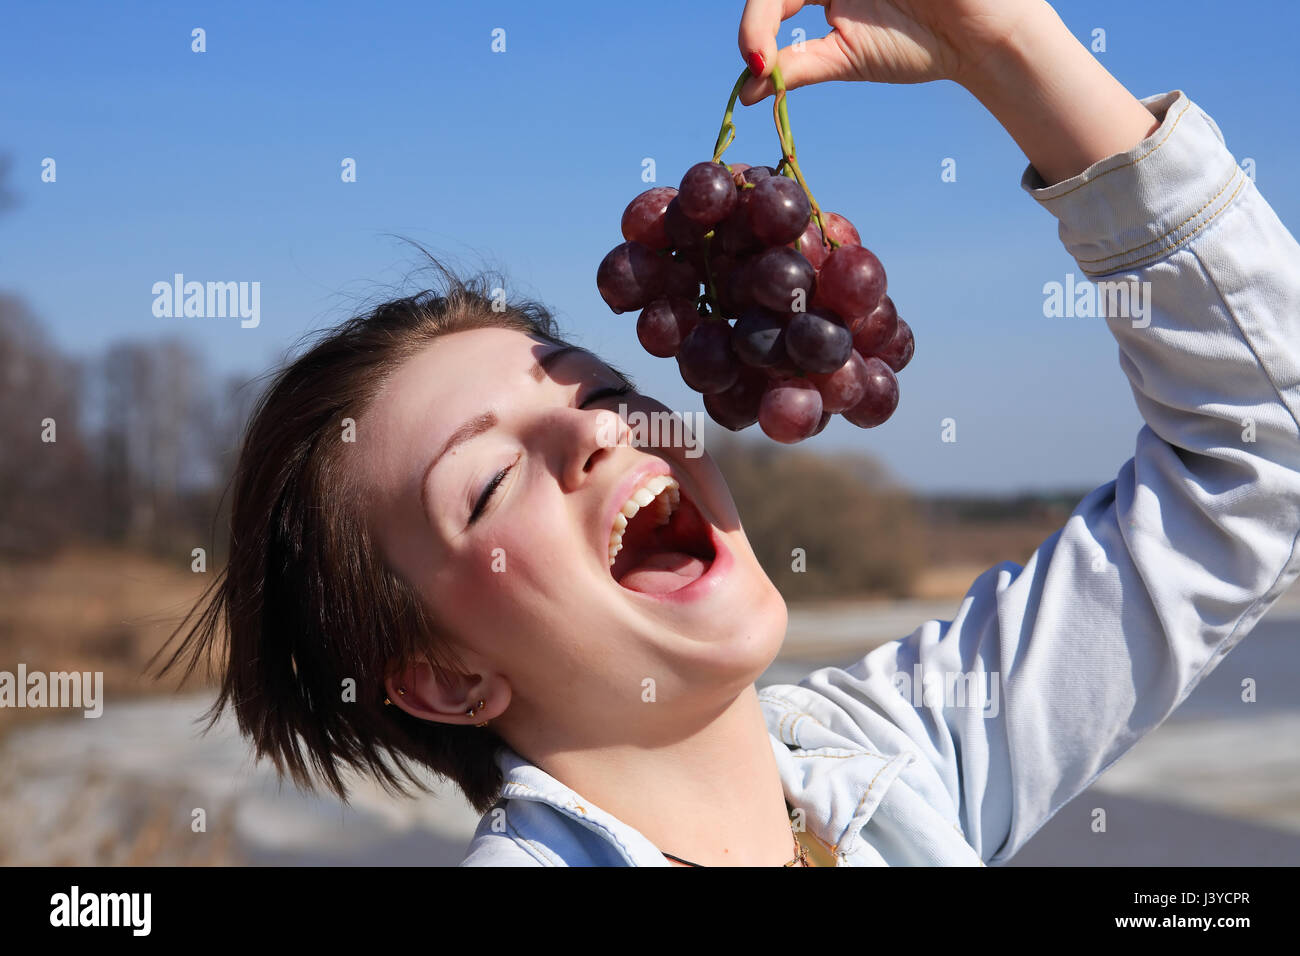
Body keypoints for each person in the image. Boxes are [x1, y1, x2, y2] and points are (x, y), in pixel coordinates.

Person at [158, 0, 1300, 866]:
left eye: (594, 390)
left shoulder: (899, 766)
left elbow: (1256, 465)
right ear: (450, 679)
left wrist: (1007, 47)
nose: (596, 435)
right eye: (492, 476)